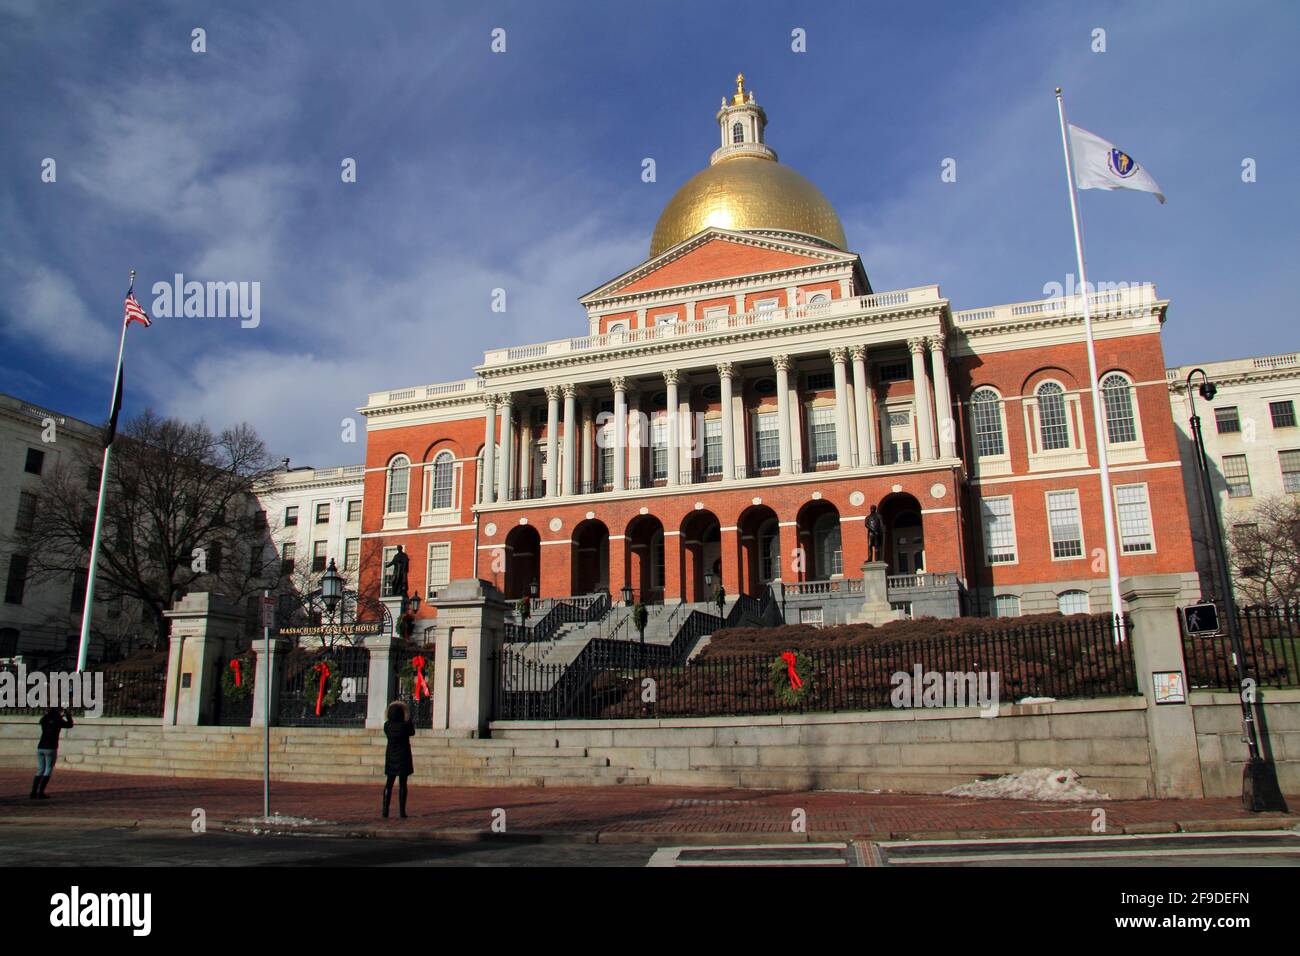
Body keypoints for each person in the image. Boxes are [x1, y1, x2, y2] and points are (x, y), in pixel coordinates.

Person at [382, 700, 415, 819]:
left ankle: (385, 810)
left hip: (391, 755)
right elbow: (412, 731)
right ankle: (402, 811)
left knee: (389, 784)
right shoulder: (404, 726)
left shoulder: (387, 726)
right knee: (403, 785)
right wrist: (408, 717)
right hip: (403, 756)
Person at [32, 706, 73, 800]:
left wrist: (53, 715)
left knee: (40, 769)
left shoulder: (44, 719)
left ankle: (33, 792)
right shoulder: (58, 720)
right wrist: (67, 715)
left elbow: (44, 720)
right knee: (48, 769)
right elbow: (70, 725)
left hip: (41, 746)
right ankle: (41, 792)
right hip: (51, 747)